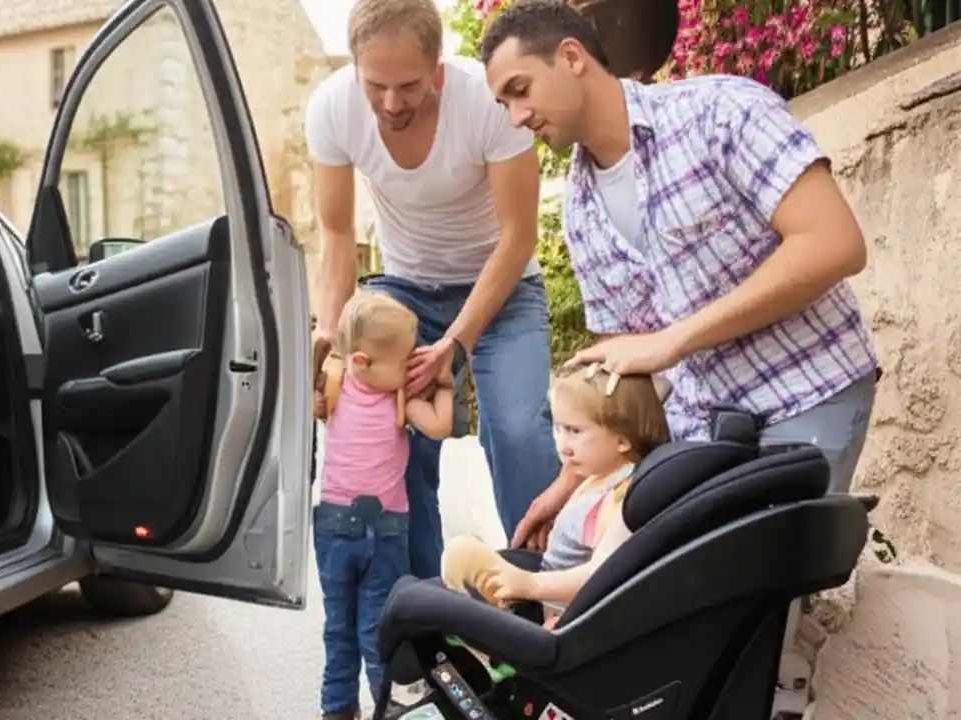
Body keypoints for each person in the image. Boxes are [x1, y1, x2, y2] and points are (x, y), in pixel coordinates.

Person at [478, 0, 880, 552]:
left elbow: (834, 243)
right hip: (705, 428)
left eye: (520, 90)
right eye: (504, 104)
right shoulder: (580, 211)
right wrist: (570, 487)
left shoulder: (720, 110)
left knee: (758, 591)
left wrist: (673, 340)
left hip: (807, 390)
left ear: (570, 57)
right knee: (667, 594)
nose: (516, 117)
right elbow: (628, 377)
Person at [305, 0, 563, 581]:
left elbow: (520, 236)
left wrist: (456, 340)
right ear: (354, 70)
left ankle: (547, 593)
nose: (392, 103)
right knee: (396, 438)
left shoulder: (483, 101)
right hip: (405, 288)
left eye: (409, 85)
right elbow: (338, 235)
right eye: (376, 85)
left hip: (502, 287)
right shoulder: (332, 108)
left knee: (518, 431)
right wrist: (329, 333)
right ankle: (424, 609)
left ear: (438, 72)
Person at [313, 289, 455, 720]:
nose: (412, 367)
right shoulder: (336, 387)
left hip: (389, 533)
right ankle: (337, 708)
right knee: (339, 629)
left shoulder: (402, 398)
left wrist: (445, 384)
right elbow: (302, 396)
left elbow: (440, 426)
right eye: (404, 360)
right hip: (336, 532)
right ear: (362, 362)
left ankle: (385, 707)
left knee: (376, 631)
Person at [442, 363, 670, 629]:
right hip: (550, 603)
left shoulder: (620, 499)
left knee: (453, 569)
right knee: (458, 561)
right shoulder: (599, 475)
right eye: (558, 429)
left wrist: (529, 585)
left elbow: (602, 576)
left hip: (571, 621)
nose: (562, 445)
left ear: (622, 440)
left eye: (574, 431)